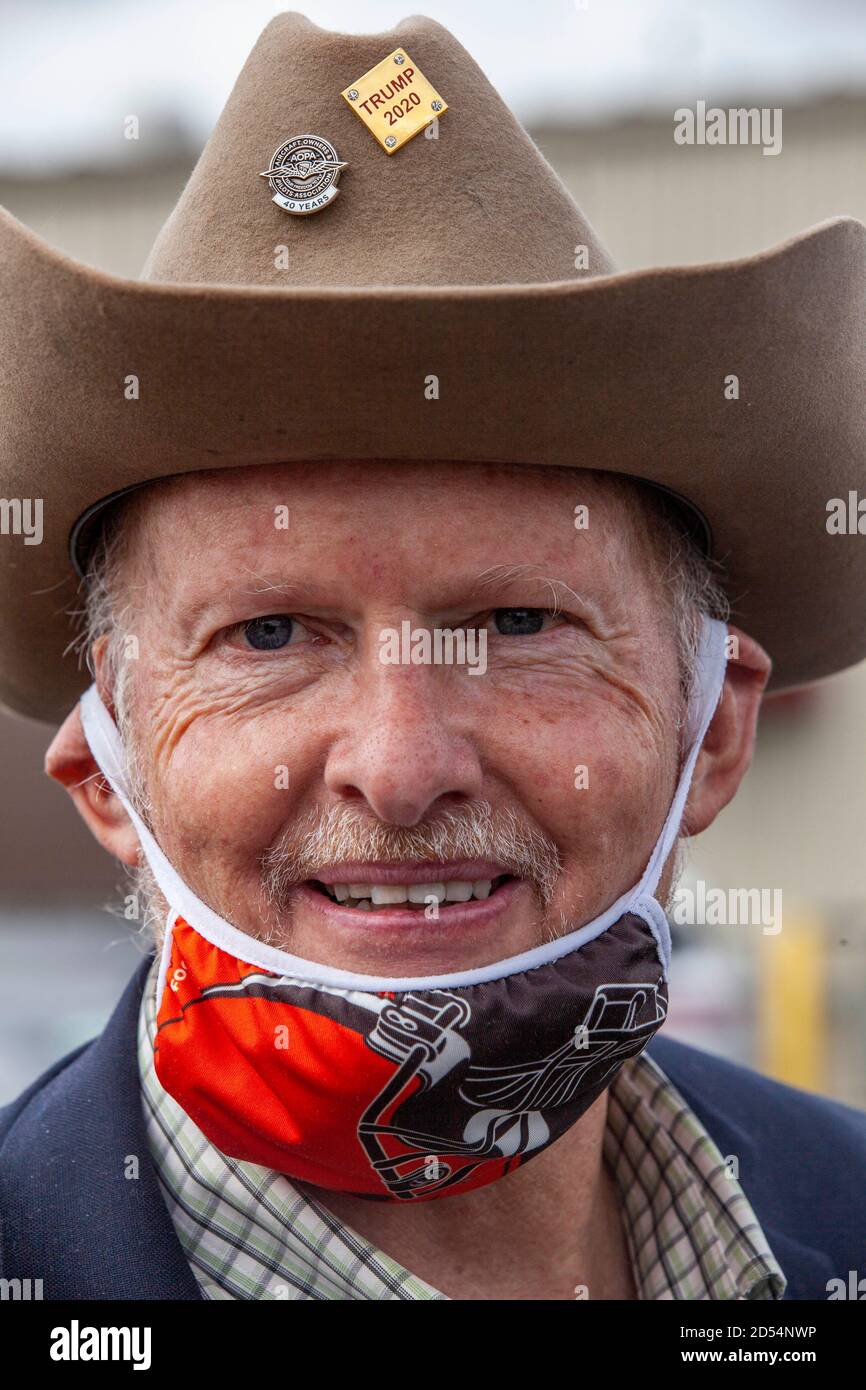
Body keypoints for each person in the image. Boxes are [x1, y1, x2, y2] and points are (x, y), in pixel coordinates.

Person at [1, 13, 864, 1302]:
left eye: (519, 627)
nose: (400, 768)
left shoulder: (841, 1210)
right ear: (107, 779)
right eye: (271, 635)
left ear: (716, 731)